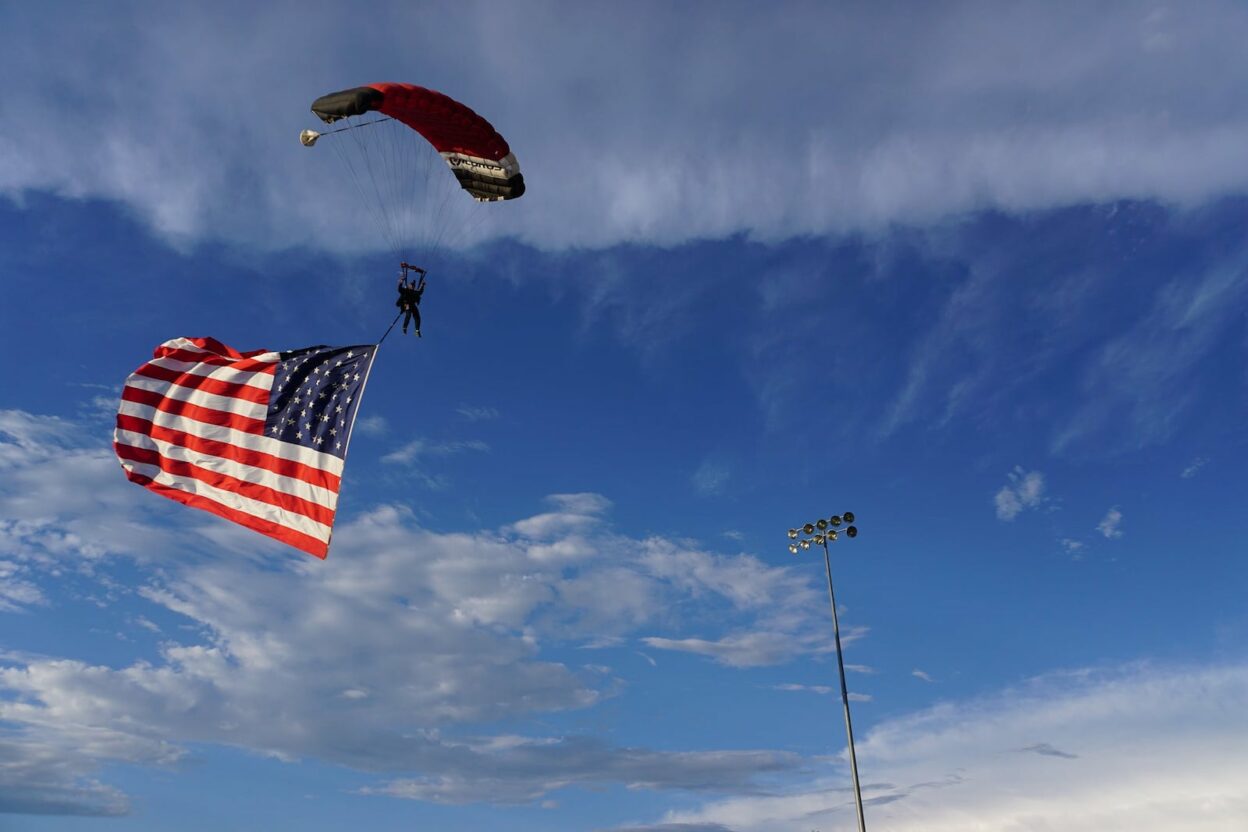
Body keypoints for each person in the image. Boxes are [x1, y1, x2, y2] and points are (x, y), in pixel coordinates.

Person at [396, 263, 426, 336]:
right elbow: (400, 289)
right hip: (406, 304)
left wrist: (422, 285)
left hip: (412, 305)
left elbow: (420, 292)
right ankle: (404, 327)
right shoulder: (405, 290)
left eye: (412, 286)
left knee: (417, 317)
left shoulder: (415, 292)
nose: (412, 286)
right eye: (410, 285)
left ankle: (417, 330)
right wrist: (401, 281)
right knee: (408, 315)